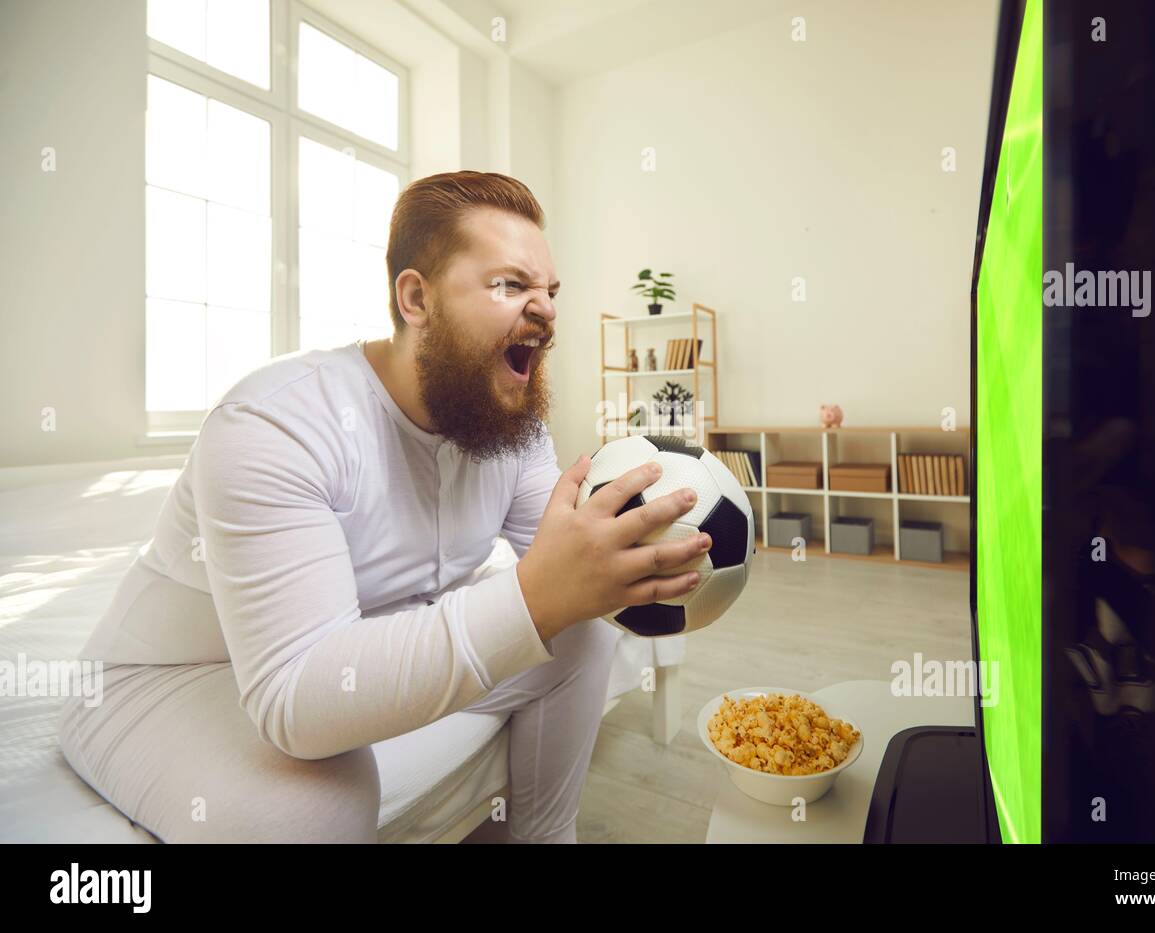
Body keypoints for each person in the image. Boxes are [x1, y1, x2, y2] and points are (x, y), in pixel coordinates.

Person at [57, 171, 711, 843]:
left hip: (365, 637)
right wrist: (537, 597)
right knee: (311, 811)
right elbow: (294, 699)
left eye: (550, 291)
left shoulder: (513, 430)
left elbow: (566, 570)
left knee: (580, 625)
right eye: (511, 286)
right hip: (176, 680)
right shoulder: (274, 422)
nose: (545, 311)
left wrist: (656, 551)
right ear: (416, 298)